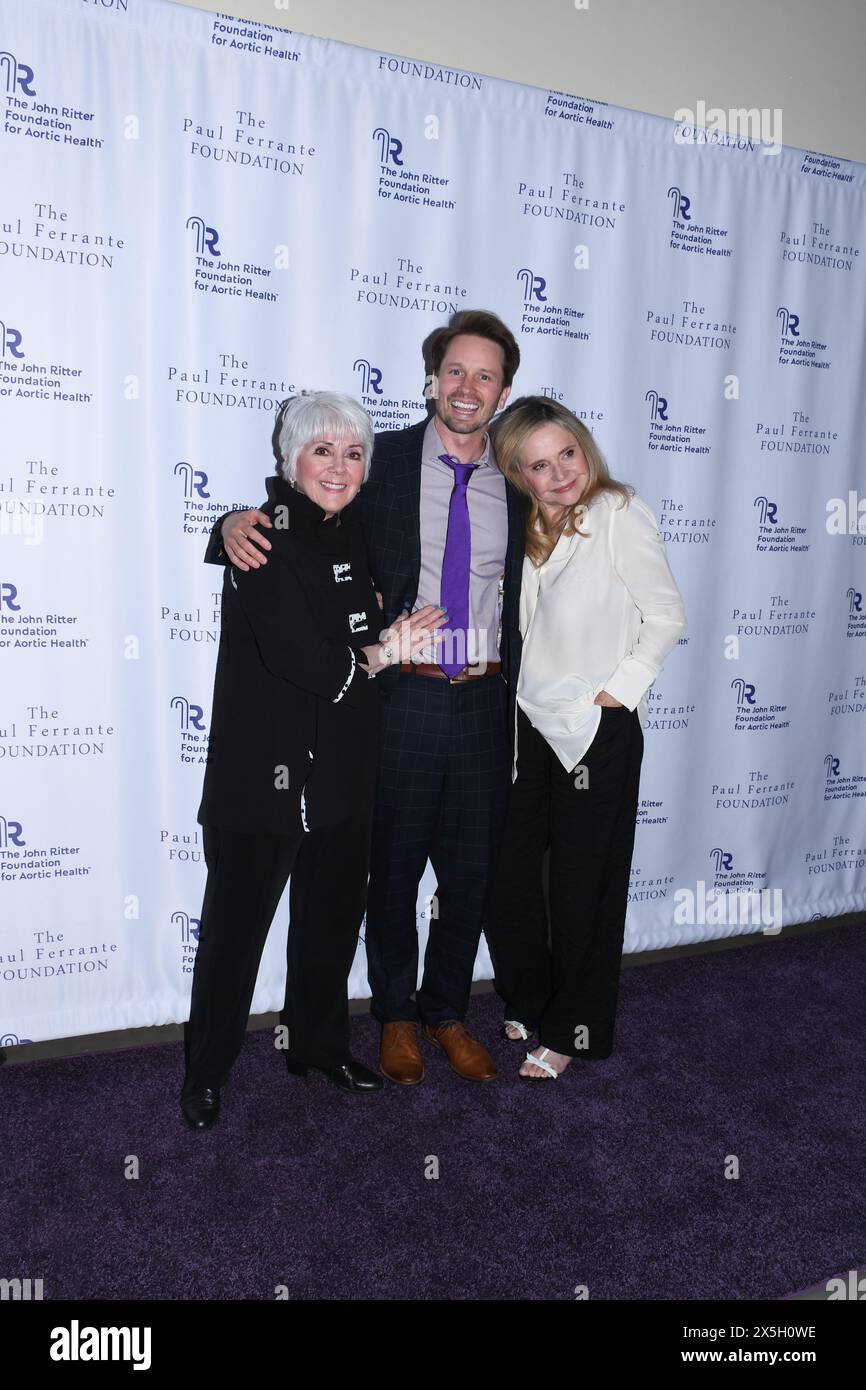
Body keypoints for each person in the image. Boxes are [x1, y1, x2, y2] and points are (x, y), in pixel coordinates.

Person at [207, 311, 528, 1085]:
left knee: (469, 874)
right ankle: (396, 1018)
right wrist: (229, 525)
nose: (468, 388)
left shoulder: (519, 480)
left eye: (485, 376)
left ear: (503, 391)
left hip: (485, 699)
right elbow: (306, 512)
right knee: (392, 873)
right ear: (432, 380)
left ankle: (447, 1012)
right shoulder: (381, 464)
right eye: (455, 371)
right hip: (400, 697)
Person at [182, 392, 446, 1129]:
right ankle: (206, 1074)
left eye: (353, 453)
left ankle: (319, 1049)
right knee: (234, 939)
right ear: (290, 458)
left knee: (330, 927)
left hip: (345, 772)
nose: (338, 466)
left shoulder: (363, 530)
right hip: (260, 777)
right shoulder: (260, 536)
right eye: (322, 450)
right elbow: (300, 658)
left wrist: (389, 638)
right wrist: (386, 651)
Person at [485, 396, 687, 1080]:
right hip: (526, 726)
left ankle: (575, 1028)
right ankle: (532, 998)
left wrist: (615, 695)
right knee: (510, 877)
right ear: (518, 475)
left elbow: (666, 616)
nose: (561, 472)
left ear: (584, 446)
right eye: (539, 465)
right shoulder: (521, 527)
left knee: (583, 889)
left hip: (595, 729)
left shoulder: (617, 512)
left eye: (566, 453)